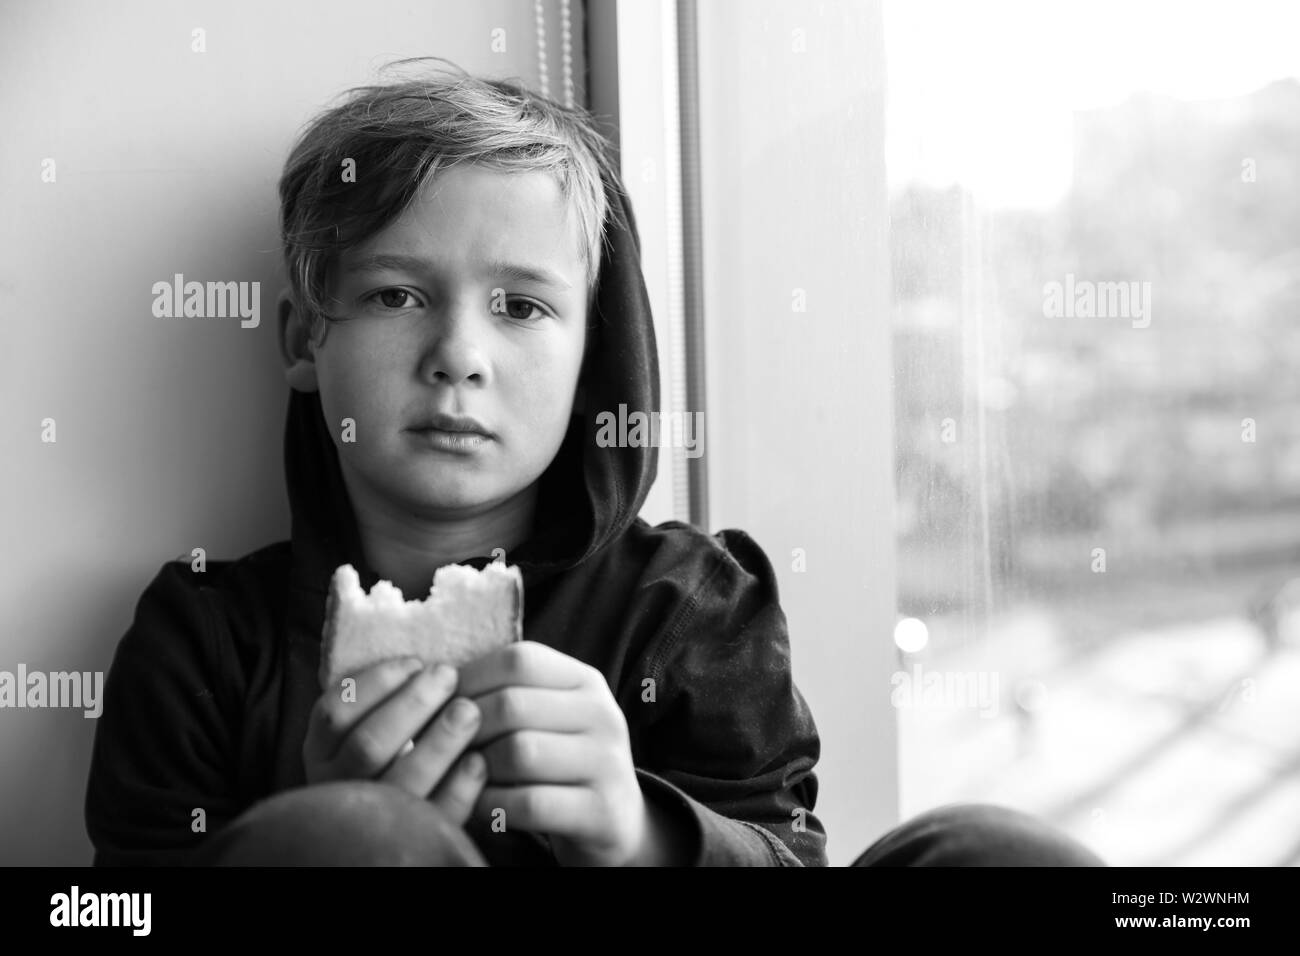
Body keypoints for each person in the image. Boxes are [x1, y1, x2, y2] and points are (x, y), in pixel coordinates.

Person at [84, 59, 1104, 869]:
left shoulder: (691, 607)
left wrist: (643, 831)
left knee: (995, 851)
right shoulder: (205, 641)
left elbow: (791, 852)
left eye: (521, 306)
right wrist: (320, 831)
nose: (459, 355)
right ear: (307, 339)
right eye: (398, 295)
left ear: (588, 363)